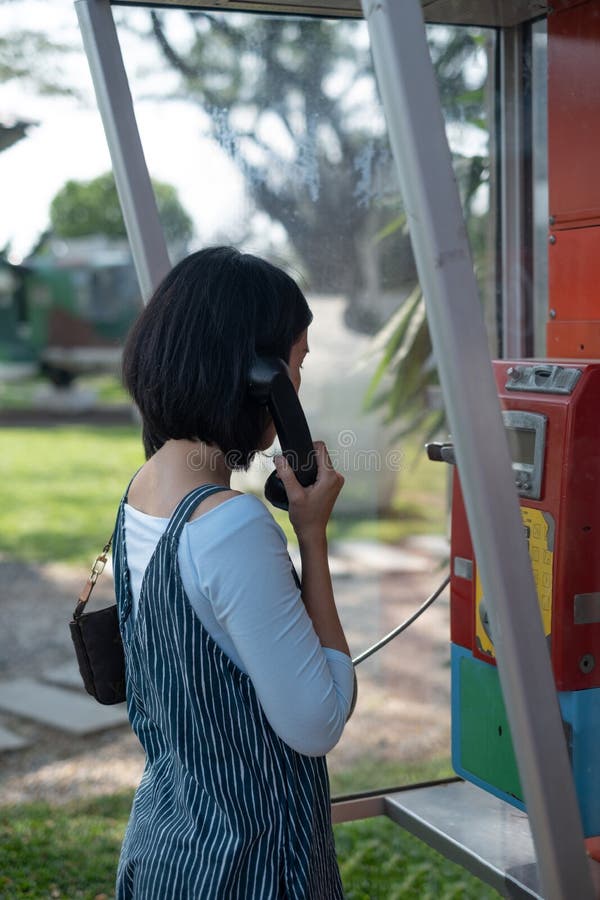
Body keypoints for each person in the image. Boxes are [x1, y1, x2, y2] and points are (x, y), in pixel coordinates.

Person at [112, 246, 356, 899]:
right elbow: (317, 722)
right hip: (245, 871)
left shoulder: (145, 486)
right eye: (294, 367)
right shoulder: (232, 527)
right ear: (257, 377)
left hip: (167, 848)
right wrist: (312, 533)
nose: (296, 390)